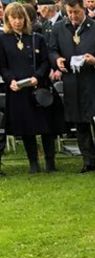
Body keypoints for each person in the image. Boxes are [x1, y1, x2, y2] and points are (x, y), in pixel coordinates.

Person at [48, 0, 95, 173]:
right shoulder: (59, 28)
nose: (72, 16)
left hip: (94, 82)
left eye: (75, 12)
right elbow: (52, 50)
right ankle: (88, 160)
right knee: (80, 123)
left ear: (83, 8)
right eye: (69, 12)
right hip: (72, 82)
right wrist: (57, 60)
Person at [1, 1, 58, 172]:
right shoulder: (3, 39)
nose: (17, 22)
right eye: (14, 18)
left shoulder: (36, 38)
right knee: (26, 128)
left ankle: (50, 161)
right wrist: (10, 80)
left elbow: (45, 62)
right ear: (8, 19)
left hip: (37, 88)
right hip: (17, 89)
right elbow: (3, 66)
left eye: (20, 18)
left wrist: (37, 77)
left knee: (46, 127)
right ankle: (33, 162)